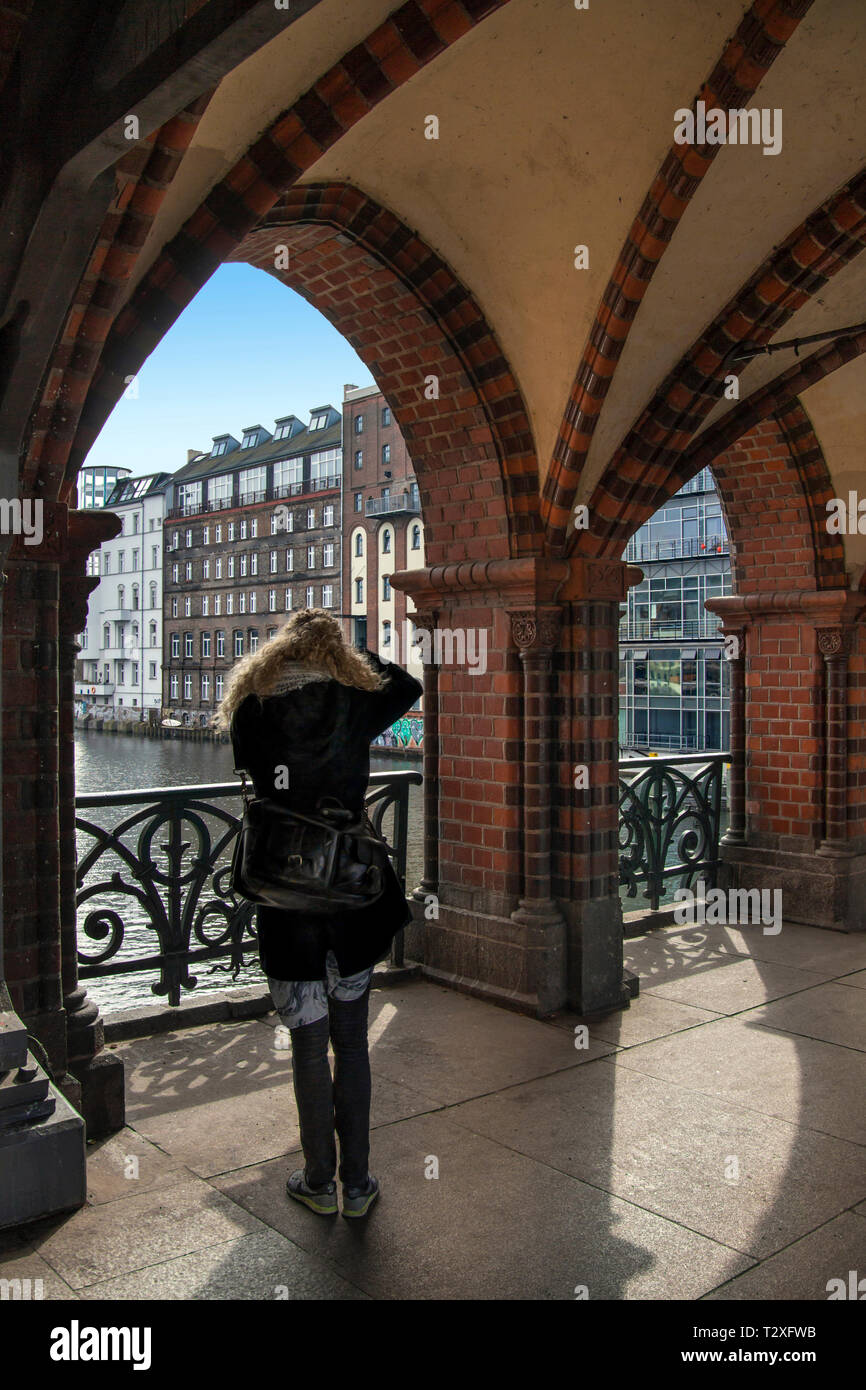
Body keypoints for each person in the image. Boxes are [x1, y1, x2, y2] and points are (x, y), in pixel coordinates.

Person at [213, 609, 423, 1218]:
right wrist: (353, 653)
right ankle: (358, 1186)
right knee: (351, 1043)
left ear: (279, 652)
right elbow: (406, 685)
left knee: (307, 1046)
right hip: (351, 893)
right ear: (333, 651)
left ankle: (316, 1182)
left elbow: (255, 778)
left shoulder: (251, 704)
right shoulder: (352, 700)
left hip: (285, 895)